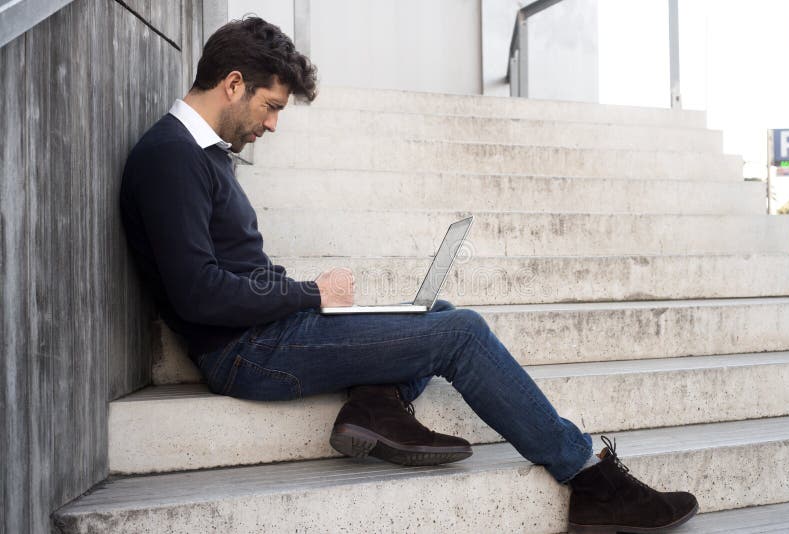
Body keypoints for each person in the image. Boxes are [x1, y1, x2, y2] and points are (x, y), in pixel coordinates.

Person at [120, 16, 699, 533]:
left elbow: (233, 271)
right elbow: (199, 294)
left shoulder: (204, 153)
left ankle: (375, 405)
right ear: (234, 84)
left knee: (437, 315)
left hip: (267, 332)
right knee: (462, 331)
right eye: (271, 107)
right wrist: (310, 295)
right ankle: (590, 481)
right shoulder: (171, 157)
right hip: (245, 352)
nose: (273, 125)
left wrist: (305, 302)